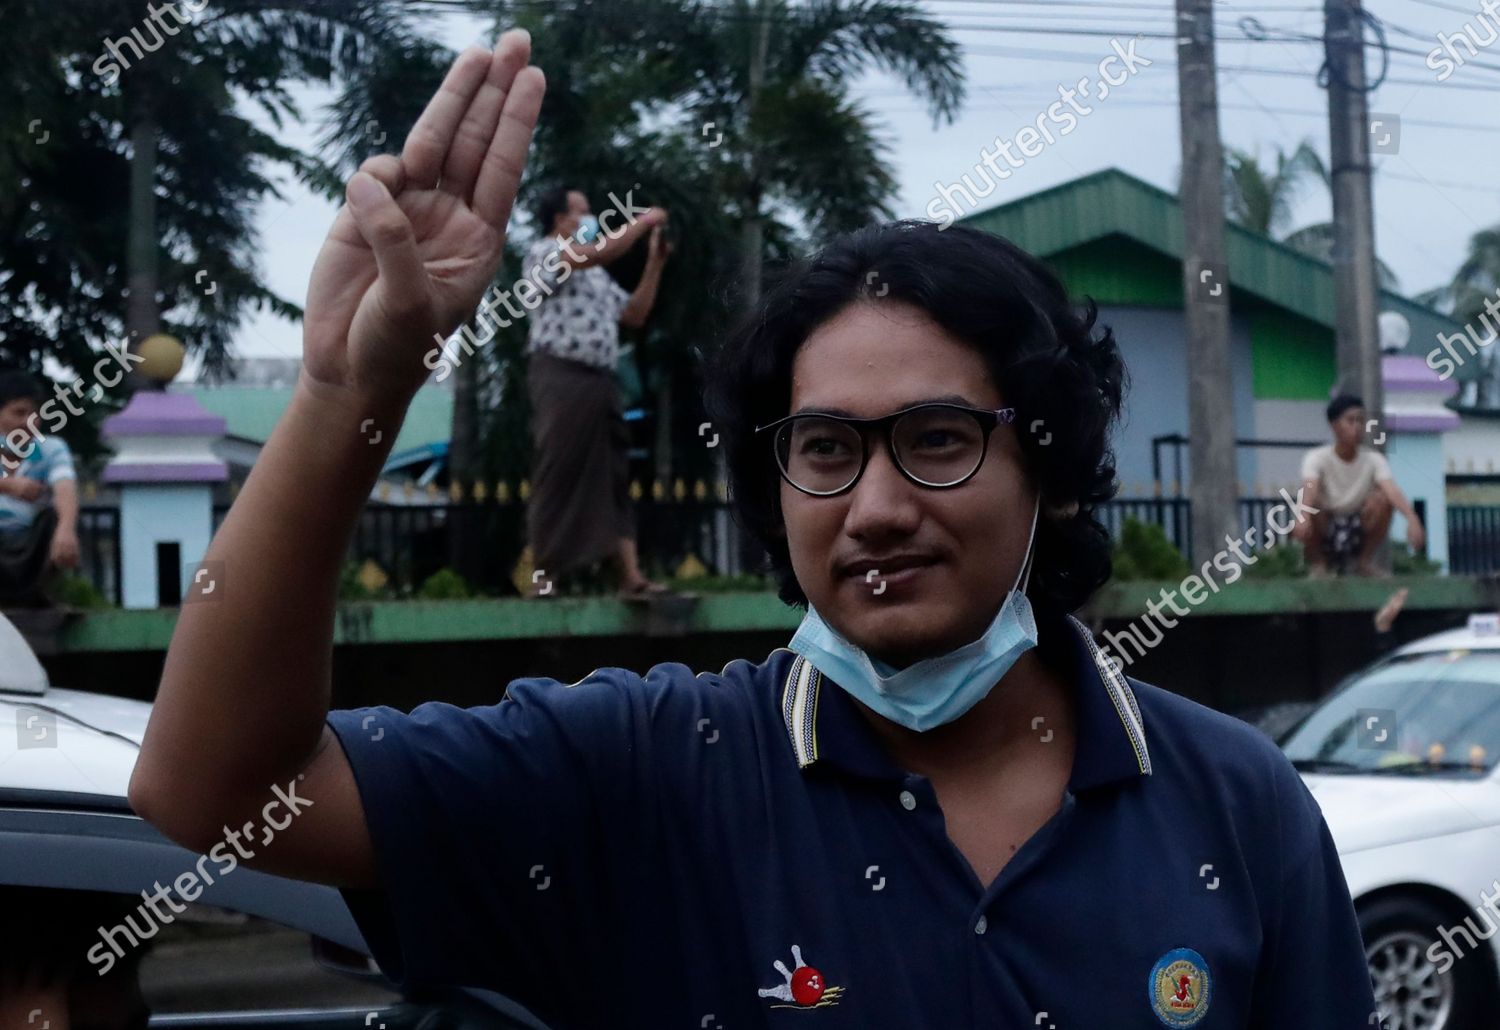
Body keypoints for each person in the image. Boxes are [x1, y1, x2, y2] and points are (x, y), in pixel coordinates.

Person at [129, 34, 1379, 1029]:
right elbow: (215, 789)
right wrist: (350, 396)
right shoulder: (651, 772)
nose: (878, 507)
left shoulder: (1236, 806)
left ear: (1046, 465)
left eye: (938, 438)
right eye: (825, 449)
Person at [521, 183, 672, 598]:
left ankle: (629, 576)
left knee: (613, 474)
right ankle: (543, 576)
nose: (589, 220)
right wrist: (643, 223)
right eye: (582, 211)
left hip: (601, 380)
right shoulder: (545, 252)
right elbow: (600, 251)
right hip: (562, 374)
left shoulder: (596, 277)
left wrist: (654, 264)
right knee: (560, 465)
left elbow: (635, 314)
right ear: (559, 219)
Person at [1291, 393, 1425, 577]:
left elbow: (1391, 489)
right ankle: (1319, 564)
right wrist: (1303, 515)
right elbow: (1309, 486)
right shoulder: (1316, 457)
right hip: (1327, 523)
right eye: (1351, 421)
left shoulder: (1374, 459)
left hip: (1358, 524)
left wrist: (1412, 518)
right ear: (1334, 426)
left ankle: (1363, 562)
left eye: (1361, 421)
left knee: (1382, 499)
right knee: (1308, 505)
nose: (1358, 427)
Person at [0, 370, 81, 605]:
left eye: (33, 414)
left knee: (57, 516)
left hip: (28, 541)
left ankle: (35, 592)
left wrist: (66, 529)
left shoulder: (49, 448)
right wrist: (8, 486)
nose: (29, 422)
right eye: (18, 413)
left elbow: (65, 487)